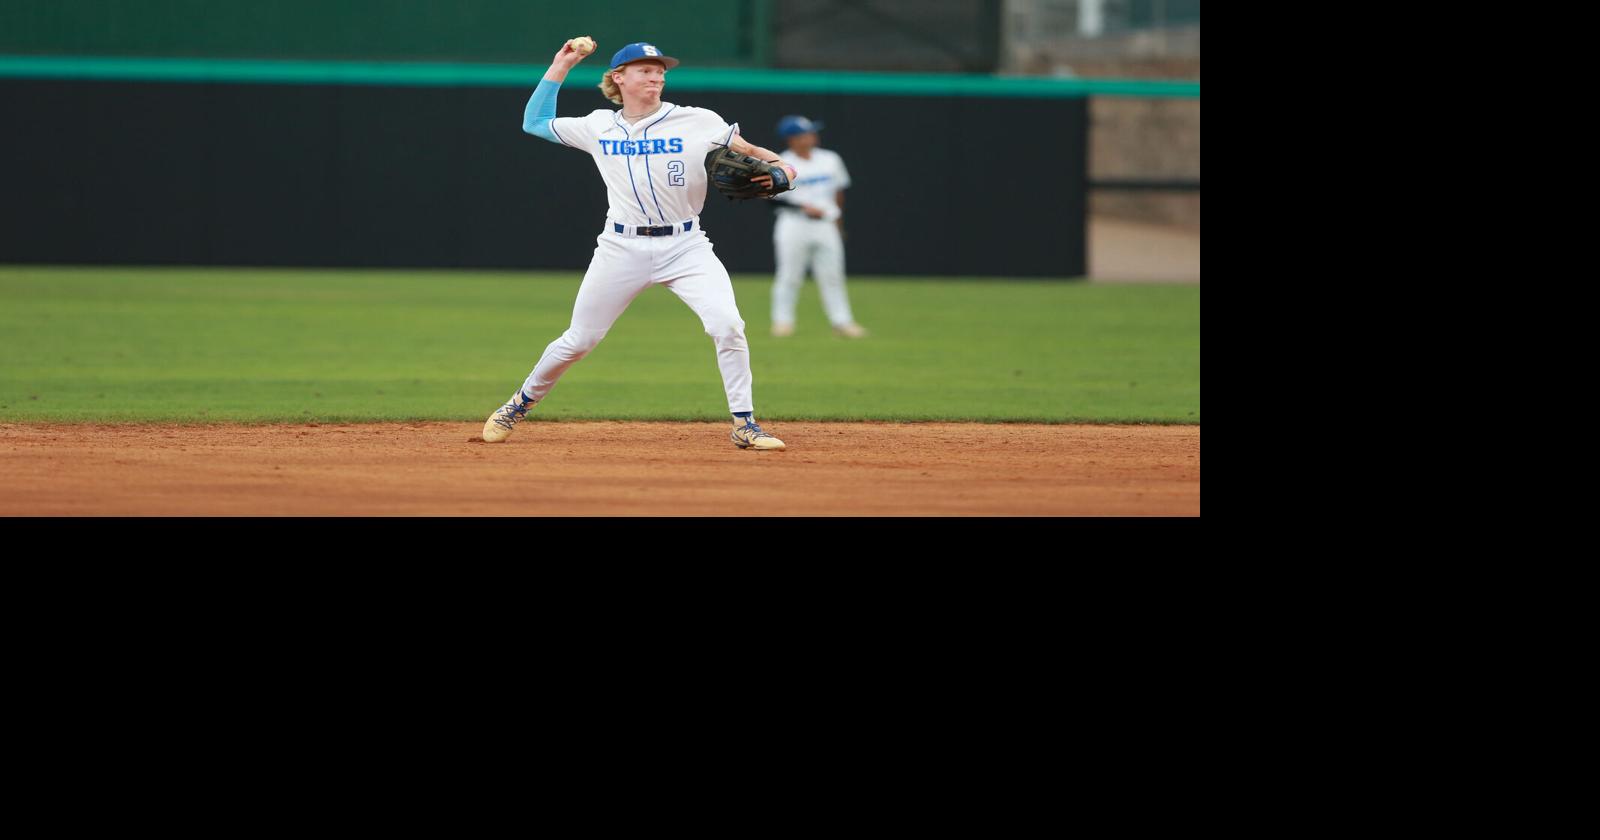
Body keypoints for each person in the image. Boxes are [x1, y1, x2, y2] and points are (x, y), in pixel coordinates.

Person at [482, 40, 798, 451]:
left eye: (660, 70)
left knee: (728, 325)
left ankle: (745, 424)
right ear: (619, 77)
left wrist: (785, 174)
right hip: (620, 247)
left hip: (687, 245)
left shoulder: (699, 121)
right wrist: (561, 64)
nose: (656, 76)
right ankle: (517, 405)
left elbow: (761, 155)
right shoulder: (597, 126)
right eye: (645, 69)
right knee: (579, 340)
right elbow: (535, 122)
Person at [768, 115, 866, 339]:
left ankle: (842, 322)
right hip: (794, 223)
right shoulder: (781, 162)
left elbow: (838, 192)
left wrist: (838, 223)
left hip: (825, 224)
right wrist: (802, 208)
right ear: (791, 139)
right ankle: (782, 322)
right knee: (789, 275)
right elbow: (771, 197)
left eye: (812, 132)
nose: (812, 136)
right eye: (805, 133)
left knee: (832, 275)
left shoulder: (830, 159)